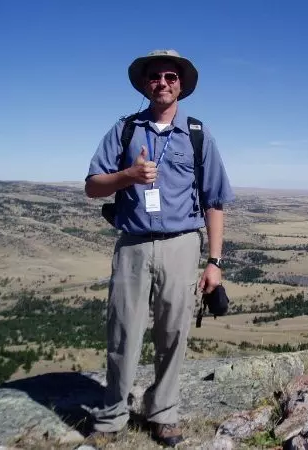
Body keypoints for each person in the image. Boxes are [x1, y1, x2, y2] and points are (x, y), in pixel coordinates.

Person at [84, 49, 234, 447]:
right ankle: (113, 414)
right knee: (123, 331)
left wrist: (214, 262)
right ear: (145, 83)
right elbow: (92, 186)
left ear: (181, 84)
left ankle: (163, 412)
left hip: (182, 245)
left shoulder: (199, 135)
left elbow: (215, 201)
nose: (163, 82)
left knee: (173, 332)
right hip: (132, 243)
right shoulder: (125, 130)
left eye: (170, 76)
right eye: (155, 76)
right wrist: (127, 175)